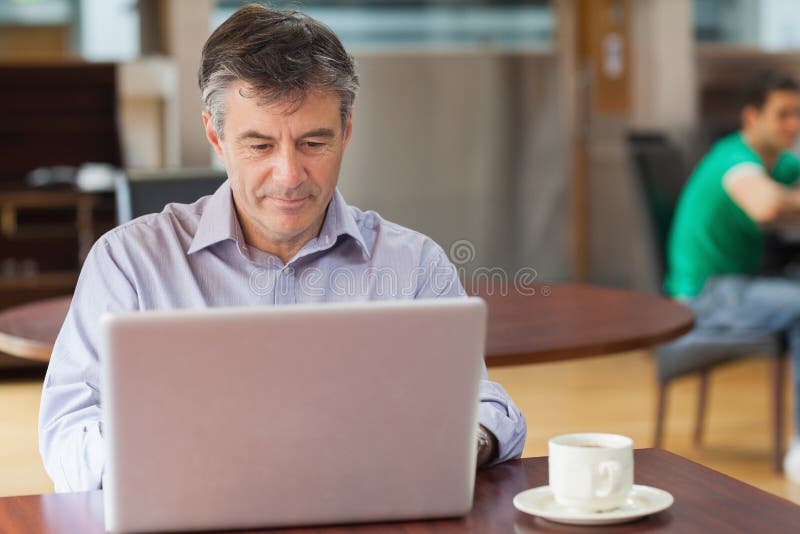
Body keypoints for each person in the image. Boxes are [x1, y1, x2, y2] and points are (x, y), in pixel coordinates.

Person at [38, 4, 526, 492]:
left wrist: (467, 441)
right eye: (260, 146)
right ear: (216, 135)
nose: (289, 176)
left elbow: (483, 405)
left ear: (346, 131)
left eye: (314, 143)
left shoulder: (412, 263)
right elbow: (67, 431)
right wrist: (172, 463)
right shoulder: (129, 262)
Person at [664, 70, 800, 480]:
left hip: (740, 288)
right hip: (703, 297)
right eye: (783, 115)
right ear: (751, 118)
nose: (794, 124)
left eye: (799, 114)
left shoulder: (782, 163)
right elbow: (766, 207)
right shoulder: (734, 159)